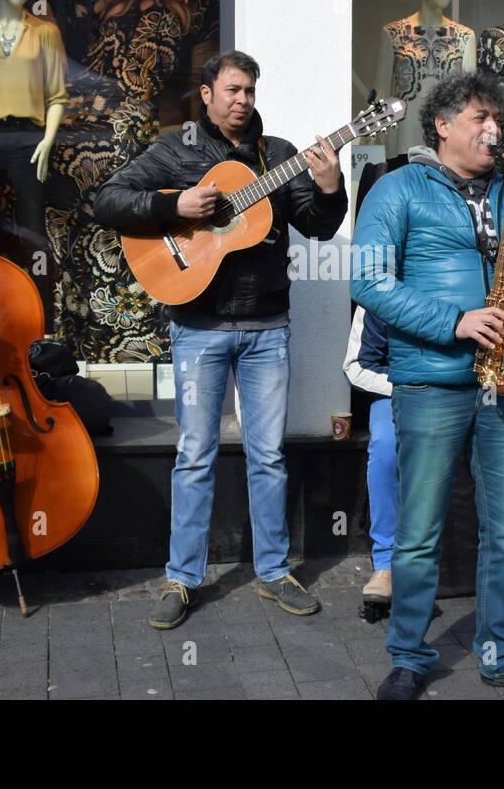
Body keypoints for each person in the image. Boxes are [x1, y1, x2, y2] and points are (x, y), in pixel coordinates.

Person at [94, 50, 347, 629]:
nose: (243, 100)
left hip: (266, 329)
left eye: (250, 91)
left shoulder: (278, 157)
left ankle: (274, 572)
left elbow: (320, 224)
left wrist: (330, 187)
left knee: (268, 455)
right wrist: (173, 204)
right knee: (194, 456)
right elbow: (107, 200)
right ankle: (182, 580)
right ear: (206, 93)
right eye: (232, 90)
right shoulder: (176, 151)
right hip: (198, 330)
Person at [351, 70, 504, 701]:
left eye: (496, 118)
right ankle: (409, 657)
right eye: (479, 118)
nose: (493, 128)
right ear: (443, 125)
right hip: (431, 383)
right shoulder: (397, 189)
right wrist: (455, 321)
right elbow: (368, 283)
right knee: (419, 534)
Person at [35, 0, 220, 364]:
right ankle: (69, 351)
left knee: (121, 233)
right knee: (64, 239)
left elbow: (202, 83)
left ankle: (127, 350)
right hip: (73, 124)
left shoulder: (197, 3)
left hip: (128, 127)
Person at [342, 306, 504, 626]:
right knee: (385, 448)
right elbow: (357, 367)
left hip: (480, 391)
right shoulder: (383, 288)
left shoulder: (479, 275)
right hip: (405, 390)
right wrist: (421, 388)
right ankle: (387, 565)